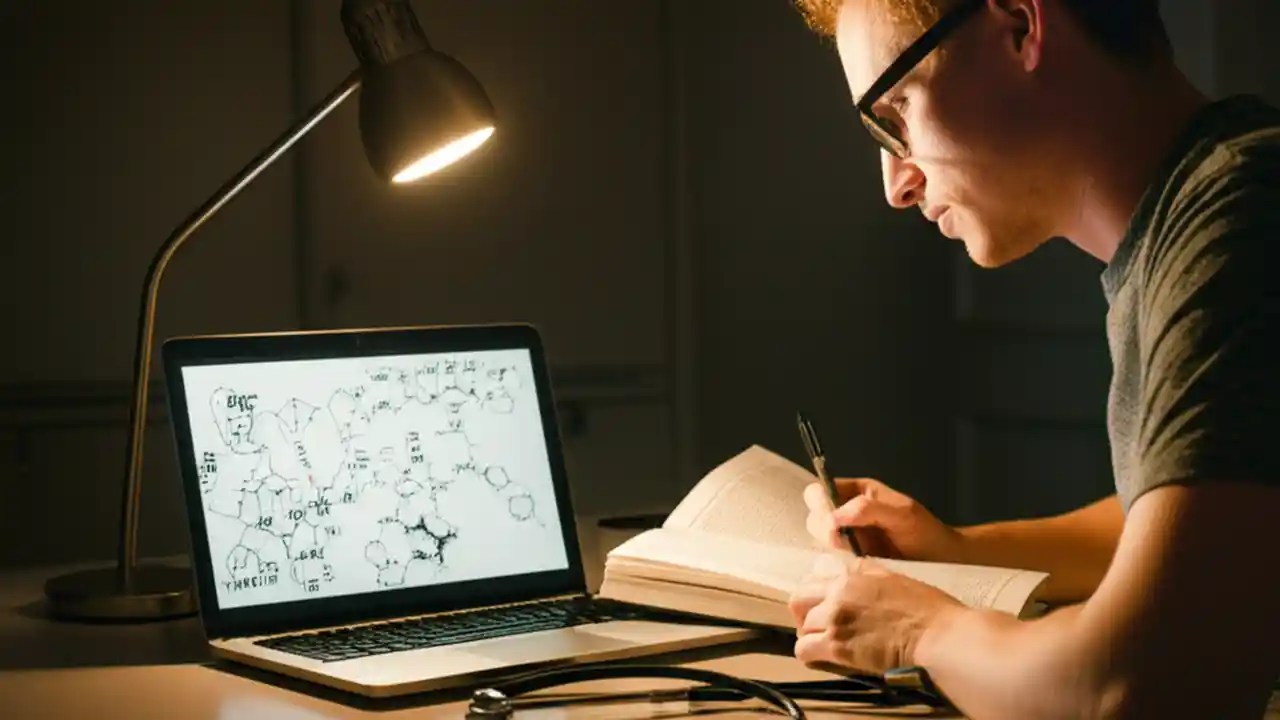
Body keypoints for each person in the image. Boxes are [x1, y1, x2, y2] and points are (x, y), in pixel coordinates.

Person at [785, 0, 1280, 717]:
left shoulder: (1241, 222)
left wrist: (921, 629)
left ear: (1020, 27)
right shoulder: (1200, 209)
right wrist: (956, 552)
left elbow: (1135, 687)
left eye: (896, 114)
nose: (896, 184)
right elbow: (1198, 518)